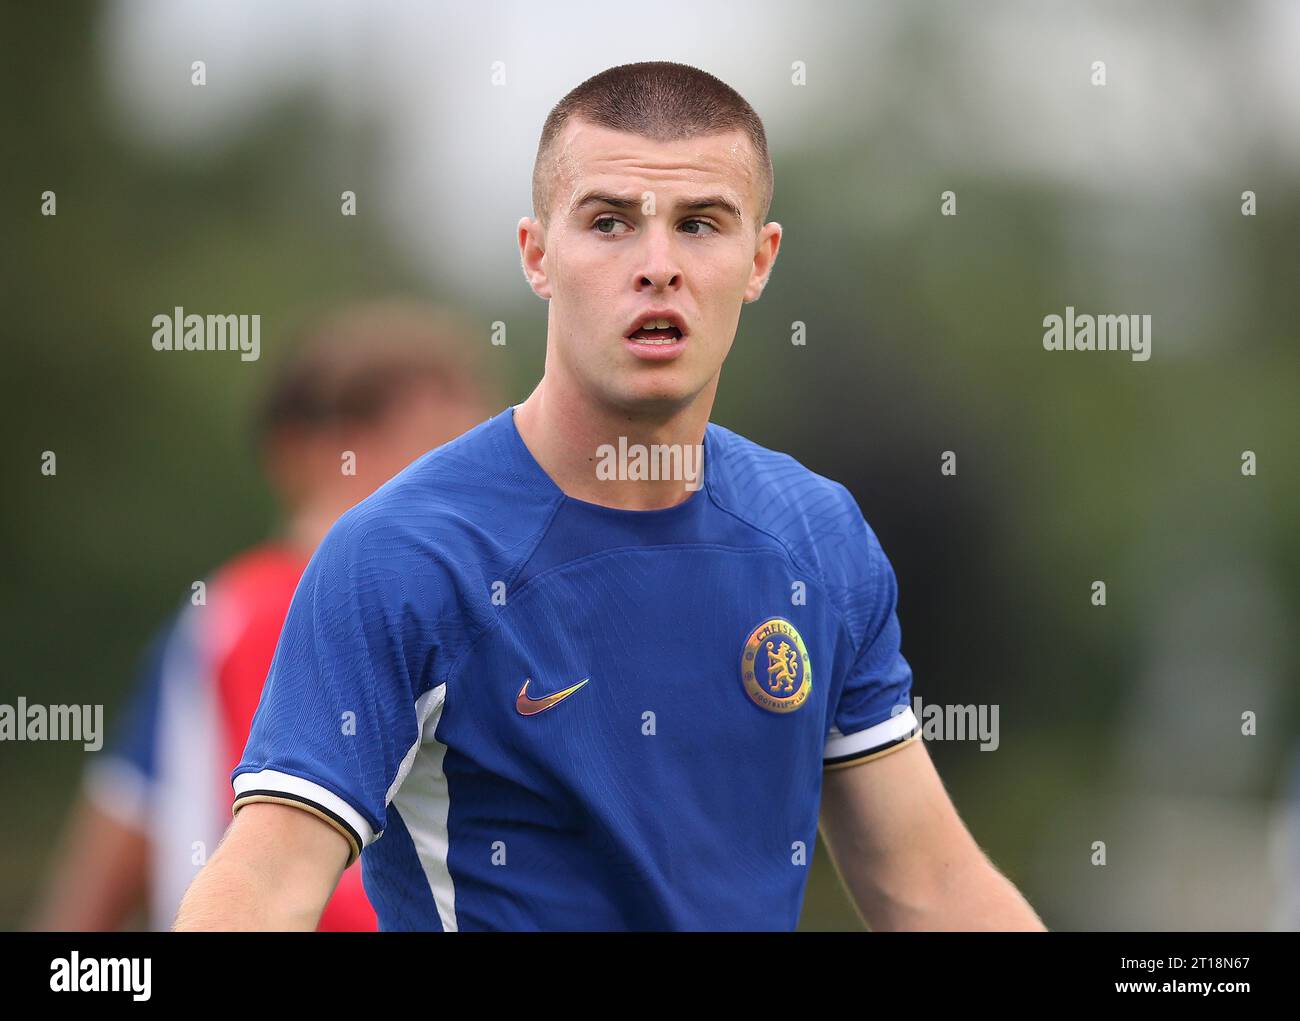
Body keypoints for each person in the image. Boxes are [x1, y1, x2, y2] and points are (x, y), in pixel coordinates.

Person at [176, 62, 1044, 931]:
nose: (657, 266)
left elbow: (933, 887)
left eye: (700, 223)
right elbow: (266, 883)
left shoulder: (818, 539)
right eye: (610, 223)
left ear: (760, 260)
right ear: (538, 255)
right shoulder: (401, 554)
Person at [31, 300, 493, 931]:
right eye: (426, 448)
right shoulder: (249, 612)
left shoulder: (473, 616)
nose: (458, 489)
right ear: (311, 451)